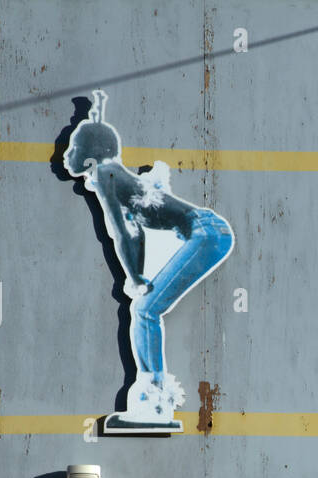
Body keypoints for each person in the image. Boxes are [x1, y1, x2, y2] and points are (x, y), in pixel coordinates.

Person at [64, 90, 234, 427]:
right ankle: (153, 395)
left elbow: (121, 233)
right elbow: (135, 233)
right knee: (144, 309)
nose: (67, 152)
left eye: (73, 147)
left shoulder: (104, 176)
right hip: (207, 231)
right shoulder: (112, 171)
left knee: (144, 309)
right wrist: (96, 109)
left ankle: (155, 400)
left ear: (89, 160)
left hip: (207, 233)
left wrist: (135, 278)